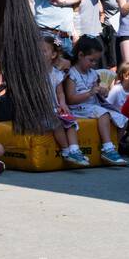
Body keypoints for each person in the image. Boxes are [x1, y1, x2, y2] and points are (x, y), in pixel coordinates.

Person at [63, 34, 127, 164]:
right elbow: (70, 99)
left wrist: (103, 92)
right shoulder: (72, 74)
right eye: (91, 60)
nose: (94, 64)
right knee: (103, 114)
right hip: (78, 108)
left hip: (92, 107)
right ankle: (108, 149)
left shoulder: (93, 73)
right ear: (80, 55)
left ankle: (114, 147)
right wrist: (90, 93)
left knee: (123, 120)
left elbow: (99, 93)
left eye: (96, 61)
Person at [40, 33, 87, 167]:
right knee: (57, 123)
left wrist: (63, 104)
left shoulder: (56, 73)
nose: (38, 54)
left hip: (55, 109)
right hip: (41, 111)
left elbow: (60, 92)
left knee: (70, 122)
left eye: (43, 51)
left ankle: (74, 149)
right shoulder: (34, 73)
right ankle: (66, 151)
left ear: (53, 55)